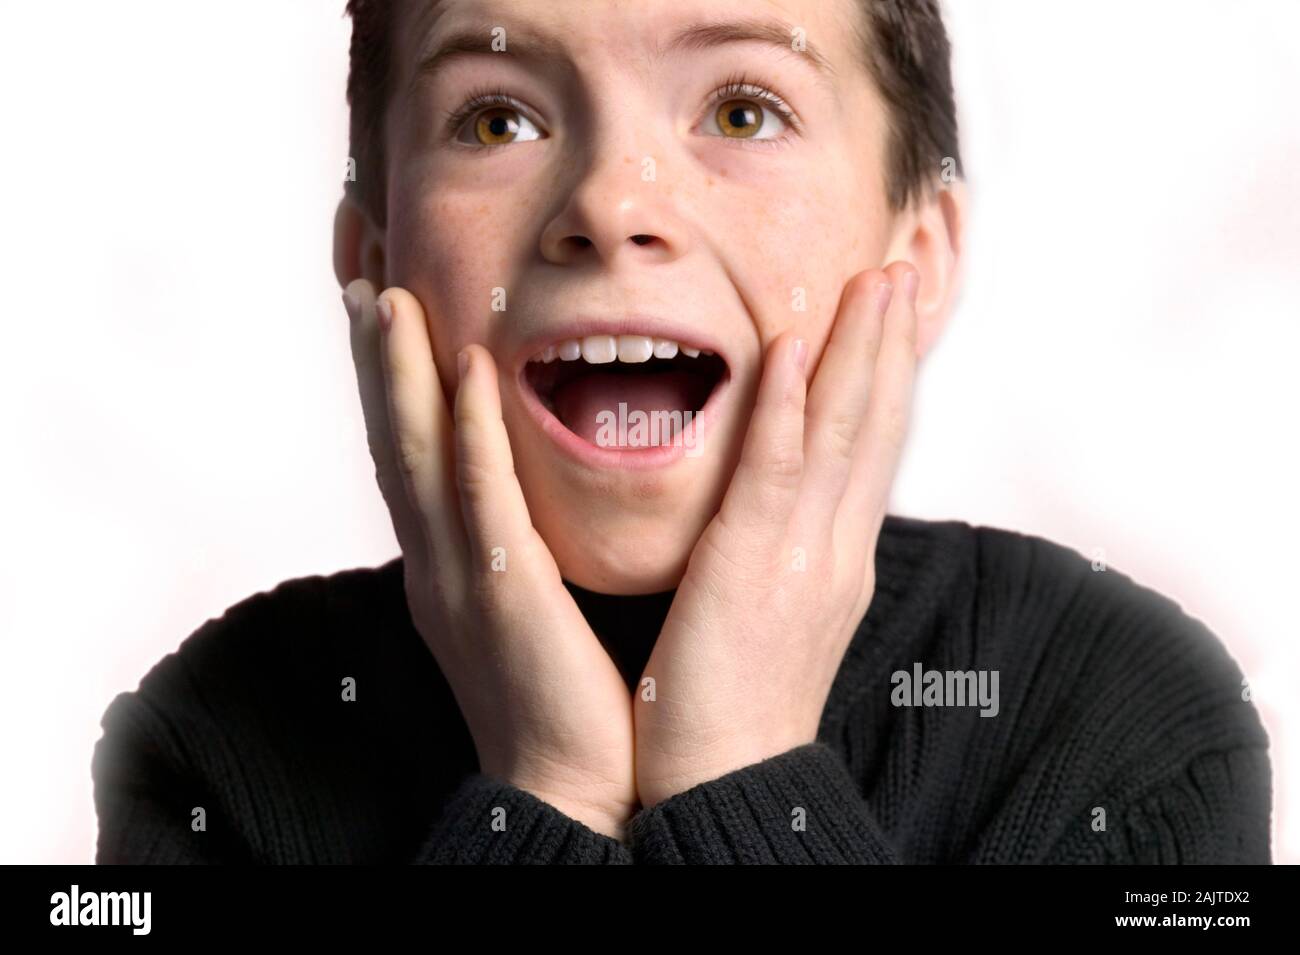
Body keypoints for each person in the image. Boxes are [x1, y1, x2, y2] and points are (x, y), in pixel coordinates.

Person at [92, 0, 1271, 863]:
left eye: (743, 108)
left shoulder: (1130, 726)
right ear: (373, 261)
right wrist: (543, 791)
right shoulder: (212, 745)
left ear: (912, 262)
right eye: (496, 119)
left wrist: (741, 769)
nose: (612, 203)